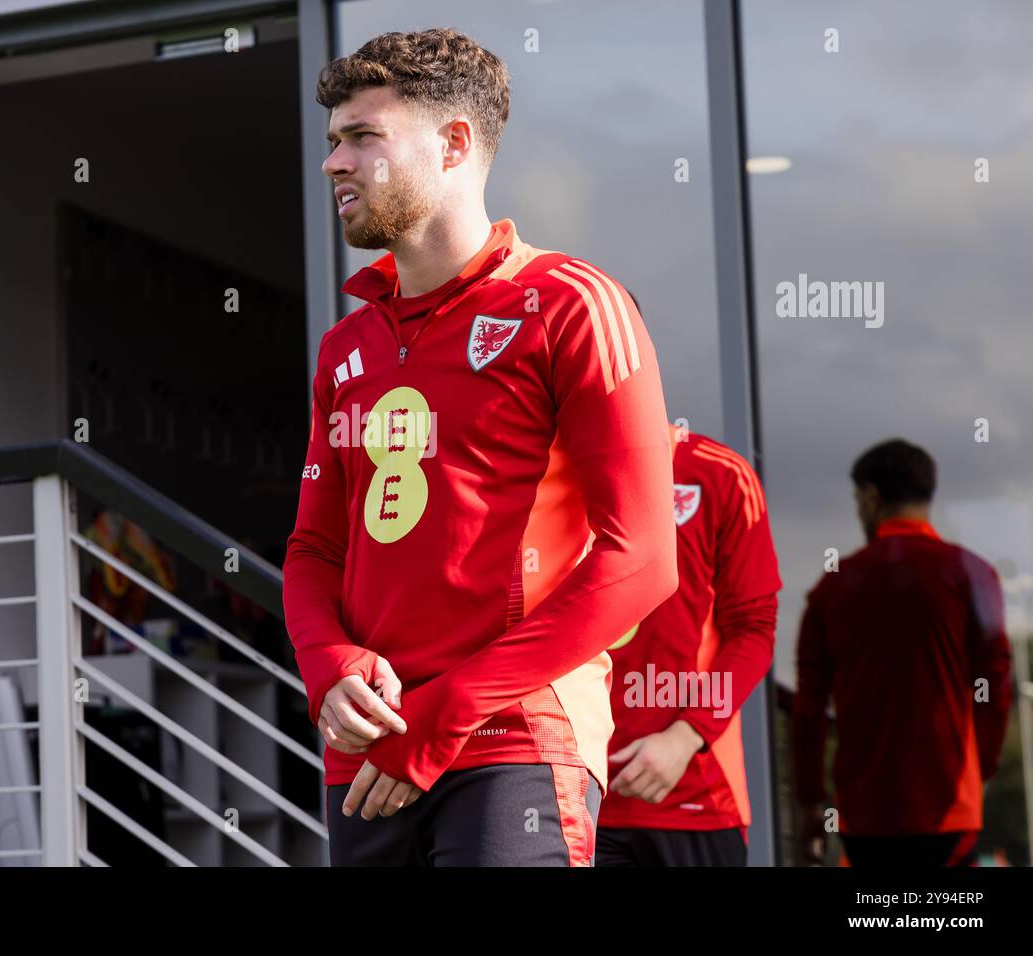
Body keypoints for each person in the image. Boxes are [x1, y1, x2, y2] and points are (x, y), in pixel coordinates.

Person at [282, 28, 678, 866]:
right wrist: (328, 667)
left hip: (514, 739)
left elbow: (642, 558)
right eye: (332, 141)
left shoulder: (572, 304)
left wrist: (447, 710)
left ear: (454, 143)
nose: (334, 163)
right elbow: (315, 547)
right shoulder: (342, 348)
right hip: (369, 748)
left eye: (362, 137)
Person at [792, 438, 1012, 867]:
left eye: (858, 500)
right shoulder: (972, 574)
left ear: (872, 499)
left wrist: (811, 804)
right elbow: (995, 686)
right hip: (950, 809)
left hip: (865, 814)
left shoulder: (833, 587)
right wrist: (979, 770)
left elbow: (809, 709)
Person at [596, 422, 780, 866]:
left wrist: (684, 738)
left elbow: (754, 628)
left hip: (695, 796)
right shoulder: (544, 471)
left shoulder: (717, 473)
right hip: (571, 794)